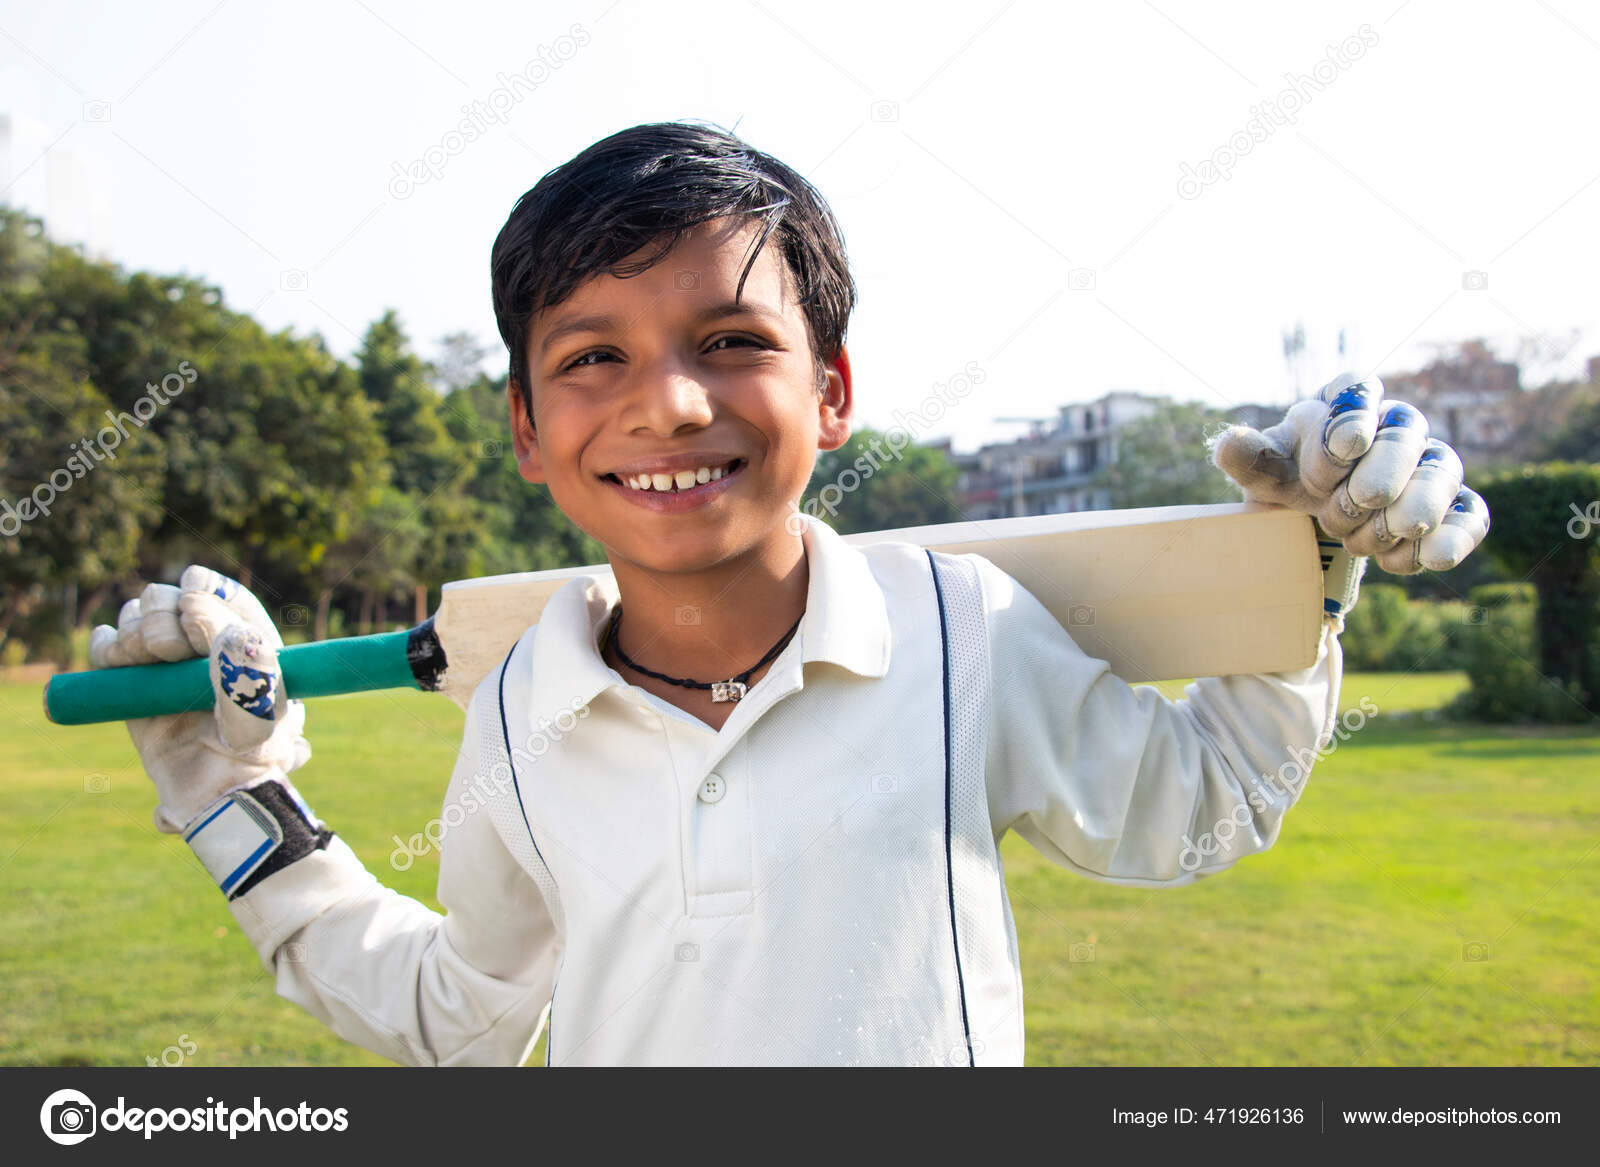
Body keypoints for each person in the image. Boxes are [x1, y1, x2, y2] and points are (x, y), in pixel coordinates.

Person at [92, 121, 1489, 1066]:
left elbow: (1203, 804)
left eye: (729, 339)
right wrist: (240, 805)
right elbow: (463, 1014)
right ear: (526, 428)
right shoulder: (518, 711)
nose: (671, 404)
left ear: (830, 393)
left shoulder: (960, 633)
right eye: (593, 358)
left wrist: (1304, 571)